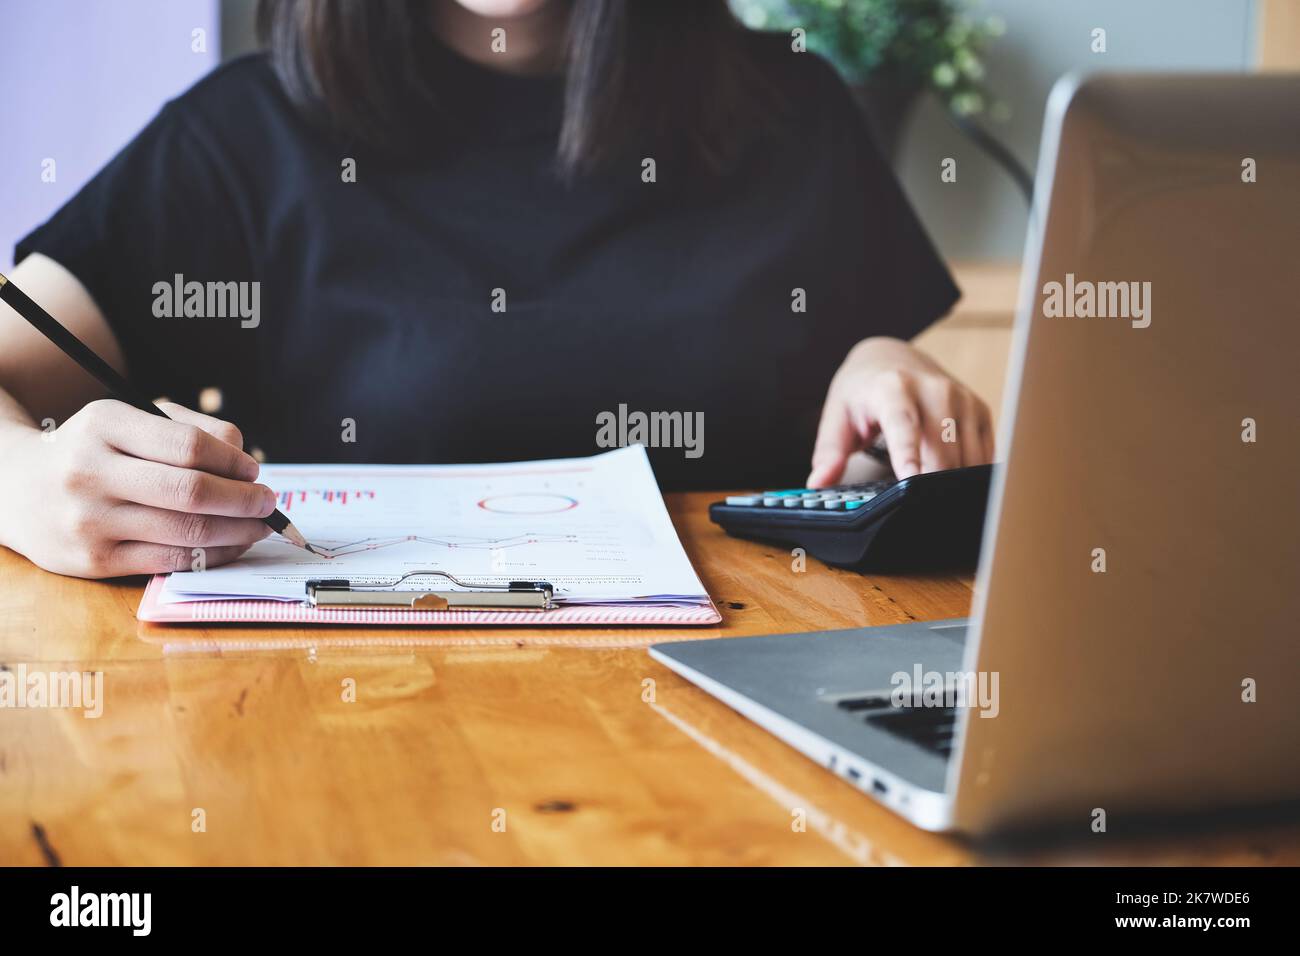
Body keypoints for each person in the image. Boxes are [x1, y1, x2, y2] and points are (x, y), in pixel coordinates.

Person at [0, 0, 993, 579]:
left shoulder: (792, 107)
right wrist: (25, 484)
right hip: (364, 728)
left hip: (758, 732)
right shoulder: (242, 134)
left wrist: (879, 364)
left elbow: (857, 476)